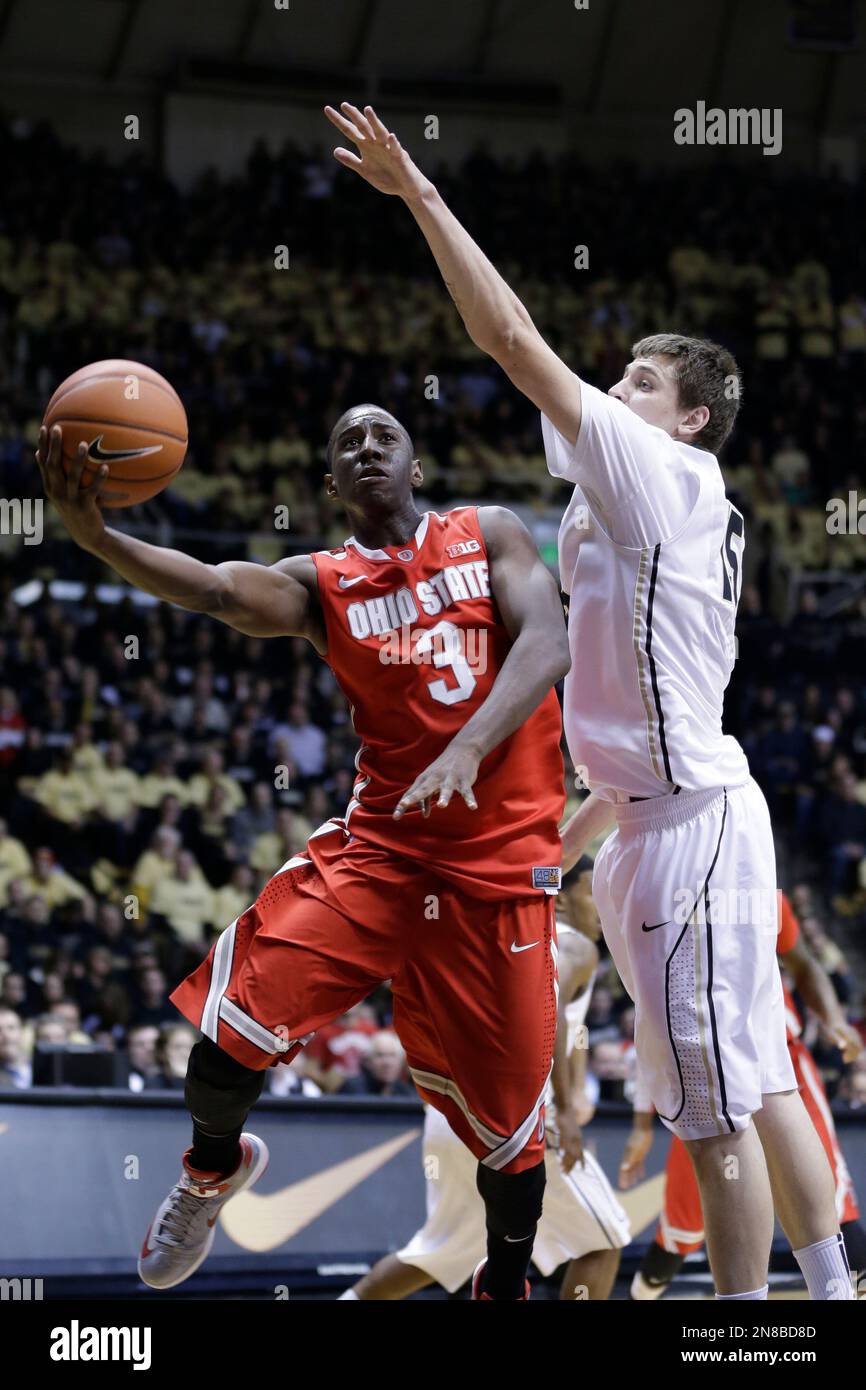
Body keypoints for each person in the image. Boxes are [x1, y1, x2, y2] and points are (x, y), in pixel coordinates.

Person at [322, 101, 852, 1300]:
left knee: (711, 1115)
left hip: (685, 827)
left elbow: (509, 337)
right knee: (757, 1079)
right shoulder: (635, 484)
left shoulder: (659, 467)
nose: (611, 388)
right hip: (662, 807)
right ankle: (823, 1296)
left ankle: (743, 1327)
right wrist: (566, 838)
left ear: (690, 418)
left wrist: (418, 196)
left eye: (638, 379)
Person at [36, 401, 569, 1301]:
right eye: (346, 444)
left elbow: (549, 642)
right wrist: (99, 539)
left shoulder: (492, 534)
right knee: (229, 1028)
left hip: (500, 871)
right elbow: (210, 587)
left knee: (514, 1137)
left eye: (384, 437)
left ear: (417, 468)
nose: (366, 448)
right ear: (331, 485)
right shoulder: (323, 583)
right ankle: (211, 1170)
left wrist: (468, 747)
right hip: (383, 855)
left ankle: (506, 1282)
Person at [341, 860, 629, 1300]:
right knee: (603, 1242)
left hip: (450, 1117)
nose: (605, 908)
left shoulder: (514, 942)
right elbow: (552, 1003)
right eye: (595, 894)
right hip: (523, 1120)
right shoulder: (574, 946)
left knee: (438, 1254)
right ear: (565, 900)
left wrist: (574, 1074)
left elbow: (567, 1026)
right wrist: (569, 1108)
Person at [626, 892, 866, 1301]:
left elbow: (803, 964)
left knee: (833, 1205)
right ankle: (641, 1295)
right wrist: (642, 1124)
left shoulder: (767, 896)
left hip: (781, 1062)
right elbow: (651, 1016)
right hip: (705, 1065)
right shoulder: (667, 890)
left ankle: (846, 1290)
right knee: (681, 1227)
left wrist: (835, 1018)